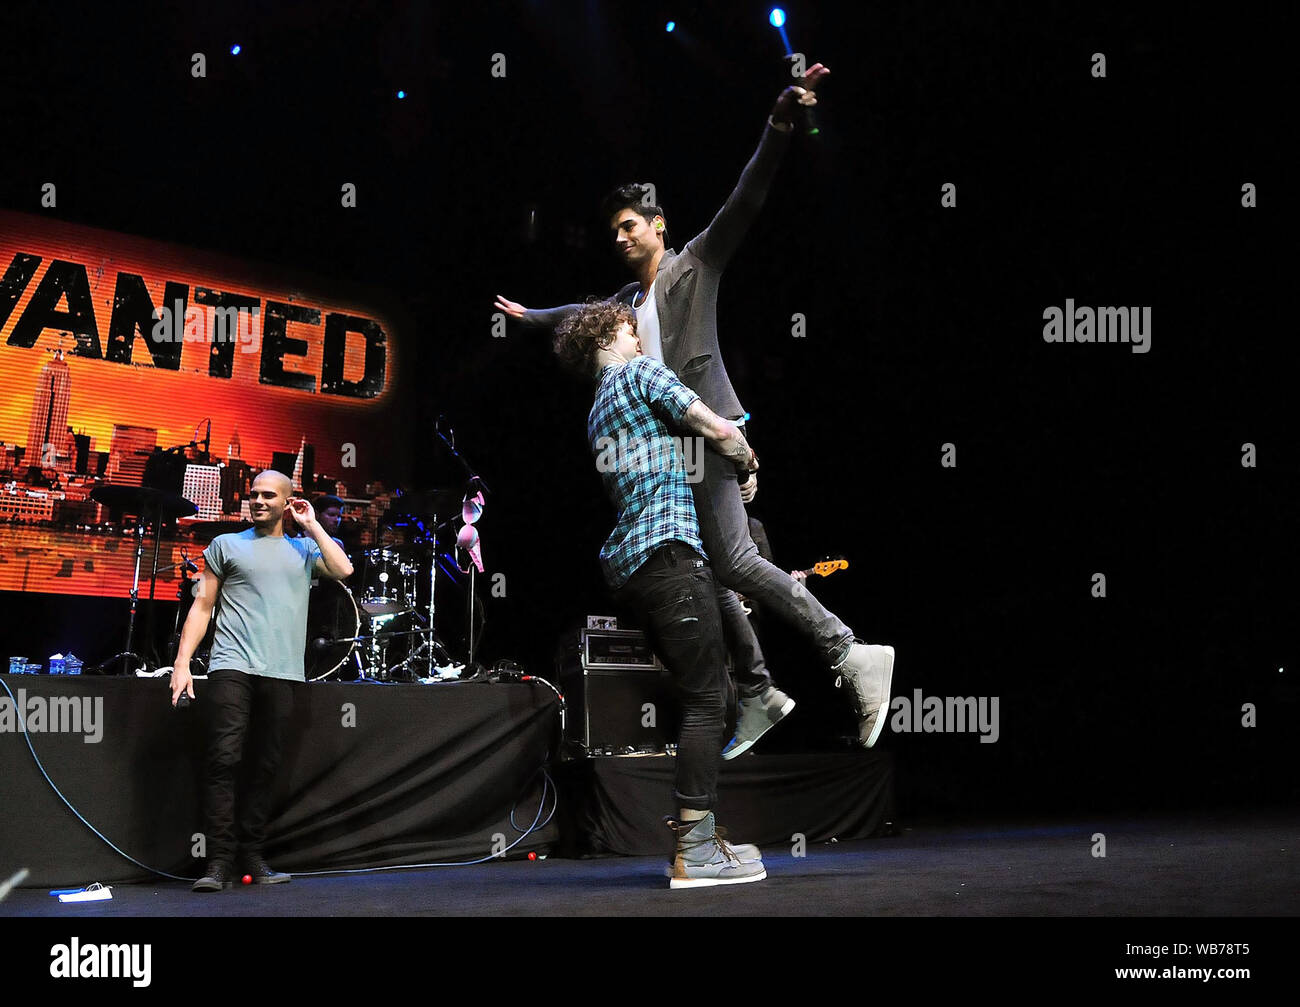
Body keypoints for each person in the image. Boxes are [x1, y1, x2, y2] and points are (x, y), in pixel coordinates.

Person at [496, 63, 895, 753]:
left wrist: (778, 125)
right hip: (673, 449)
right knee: (704, 567)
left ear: (657, 225)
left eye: (630, 226)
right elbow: (578, 312)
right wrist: (531, 316)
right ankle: (761, 688)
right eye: (613, 230)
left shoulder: (696, 265)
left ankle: (848, 652)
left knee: (735, 560)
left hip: (709, 431)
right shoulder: (623, 305)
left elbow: (746, 198)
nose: (620, 238)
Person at [554, 300, 765, 888]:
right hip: (669, 553)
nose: (643, 340)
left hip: (635, 570)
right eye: (634, 329)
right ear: (615, 331)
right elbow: (713, 427)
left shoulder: (598, 407)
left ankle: (702, 834)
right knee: (705, 700)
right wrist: (746, 459)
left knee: (706, 694)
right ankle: (695, 850)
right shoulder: (639, 373)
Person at [171, 470, 354, 892]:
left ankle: (252, 856)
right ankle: (217, 862)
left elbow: (343, 569)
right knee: (225, 759)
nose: (257, 501)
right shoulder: (226, 545)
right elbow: (202, 607)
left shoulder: (304, 548)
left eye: (268, 495)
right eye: (253, 494)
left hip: (283, 670)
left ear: (288, 501)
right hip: (232, 664)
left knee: (265, 766)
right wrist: (182, 664)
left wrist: (311, 523)